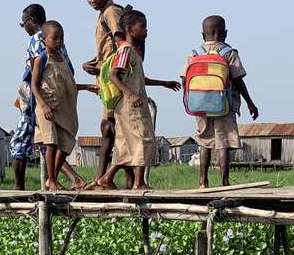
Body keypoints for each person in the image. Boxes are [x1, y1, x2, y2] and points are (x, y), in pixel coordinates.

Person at [91, 10, 180, 190]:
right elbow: (114, 75)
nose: (146, 30)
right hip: (130, 105)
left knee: (126, 143)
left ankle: (106, 178)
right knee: (143, 139)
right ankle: (139, 183)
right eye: (143, 26)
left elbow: (139, 78)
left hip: (131, 104)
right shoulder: (126, 50)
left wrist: (164, 83)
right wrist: (131, 94)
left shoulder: (133, 52)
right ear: (130, 29)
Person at [10, 4, 89, 190]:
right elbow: (69, 71)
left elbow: (36, 77)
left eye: (23, 24)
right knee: (51, 142)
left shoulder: (38, 40)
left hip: (40, 99)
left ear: (31, 20)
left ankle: (20, 190)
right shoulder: (59, 44)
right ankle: (64, 179)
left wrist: (39, 102)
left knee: (22, 143)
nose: (24, 28)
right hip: (58, 97)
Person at [193, 15, 259, 188]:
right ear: (225, 33)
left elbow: (185, 79)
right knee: (223, 143)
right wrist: (250, 102)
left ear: (203, 34)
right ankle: (224, 181)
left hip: (200, 106)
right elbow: (238, 80)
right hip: (224, 105)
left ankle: (203, 181)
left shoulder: (194, 54)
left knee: (204, 142)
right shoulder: (229, 53)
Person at [31, 21, 92, 190]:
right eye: (55, 38)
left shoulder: (63, 59)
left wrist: (87, 87)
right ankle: (51, 180)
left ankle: (53, 178)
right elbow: (34, 86)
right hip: (47, 107)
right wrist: (44, 106)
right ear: (44, 39)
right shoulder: (41, 59)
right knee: (51, 143)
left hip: (63, 108)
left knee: (66, 143)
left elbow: (68, 84)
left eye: (62, 38)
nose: (59, 41)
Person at [80, 0, 129, 182]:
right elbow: (106, 50)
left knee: (110, 126)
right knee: (114, 126)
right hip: (108, 77)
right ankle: (108, 178)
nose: (93, 0)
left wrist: (109, 68)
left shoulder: (111, 12)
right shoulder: (103, 14)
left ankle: (102, 178)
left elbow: (121, 45)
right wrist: (91, 63)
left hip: (114, 78)